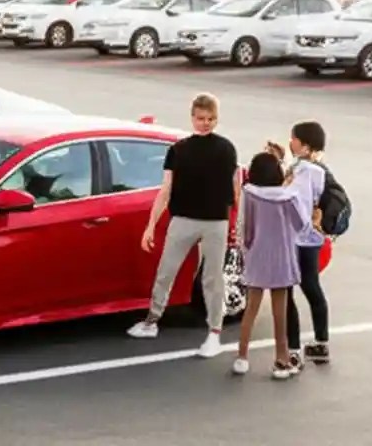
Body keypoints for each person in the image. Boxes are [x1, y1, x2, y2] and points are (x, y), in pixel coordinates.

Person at [127, 93, 239, 358]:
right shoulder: (178, 150)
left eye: (210, 119)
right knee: (166, 270)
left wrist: (237, 223)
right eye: (201, 118)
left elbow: (235, 190)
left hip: (215, 222)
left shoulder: (226, 149)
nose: (205, 123)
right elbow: (165, 189)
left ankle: (214, 333)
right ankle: (152, 321)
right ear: (192, 118)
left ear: (216, 119)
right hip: (183, 219)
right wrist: (151, 225)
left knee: (213, 279)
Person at [232, 151, 306, 379]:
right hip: (282, 257)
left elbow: (245, 228)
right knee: (279, 312)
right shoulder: (288, 196)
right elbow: (301, 223)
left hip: (257, 255)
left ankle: (242, 357)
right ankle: (281, 360)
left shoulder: (249, 193)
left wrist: (246, 249)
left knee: (251, 309)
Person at [284, 121, 331, 368]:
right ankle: (321, 343)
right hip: (313, 240)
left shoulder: (304, 171)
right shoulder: (321, 170)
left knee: (288, 291)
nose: (290, 142)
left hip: (295, 239)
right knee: (312, 288)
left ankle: (293, 351)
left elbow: (296, 204)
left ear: (304, 146)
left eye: (293, 139)